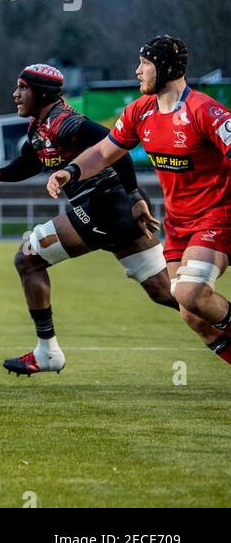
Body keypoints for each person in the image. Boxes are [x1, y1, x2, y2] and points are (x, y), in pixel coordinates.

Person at [0, 63, 217, 375]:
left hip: (103, 205)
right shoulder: (41, 128)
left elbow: (116, 148)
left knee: (28, 259)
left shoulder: (67, 123)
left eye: (22, 87)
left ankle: (47, 353)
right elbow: (29, 162)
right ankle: (221, 314)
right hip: (112, 209)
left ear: (41, 92)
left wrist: (135, 196)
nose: (15, 94)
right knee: (167, 291)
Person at [48, 36, 231, 368]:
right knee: (191, 315)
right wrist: (71, 172)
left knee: (190, 293)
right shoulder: (140, 111)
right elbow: (104, 153)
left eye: (144, 64)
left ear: (164, 68)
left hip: (216, 216)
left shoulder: (205, 111)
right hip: (178, 224)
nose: (137, 71)